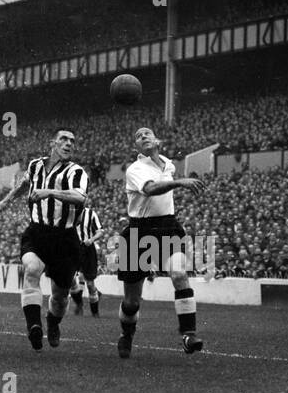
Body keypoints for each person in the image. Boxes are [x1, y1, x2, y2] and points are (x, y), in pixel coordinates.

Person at [0, 129, 87, 350]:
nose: (68, 143)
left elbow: (80, 197)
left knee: (60, 297)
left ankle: (53, 322)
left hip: (65, 239)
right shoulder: (36, 166)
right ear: (52, 142)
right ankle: (34, 326)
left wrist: (50, 192)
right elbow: (24, 185)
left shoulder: (76, 172)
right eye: (63, 139)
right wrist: (4, 202)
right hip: (38, 232)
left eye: (72, 140)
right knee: (32, 269)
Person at [115, 126, 207, 359]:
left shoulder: (168, 164)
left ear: (158, 141)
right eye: (138, 136)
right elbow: (151, 189)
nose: (143, 136)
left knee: (179, 274)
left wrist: (177, 180)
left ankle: (188, 334)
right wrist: (180, 183)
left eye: (147, 133)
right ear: (136, 147)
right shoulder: (135, 169)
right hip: (139, 231)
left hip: (167, 227)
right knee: (132, 301)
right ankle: (127, 334)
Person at [70, 196, 105, 317]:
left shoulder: (91, 214)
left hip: (87, 249)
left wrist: (91, 240)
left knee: (89, 283)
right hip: (73, 249)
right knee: (70, 280)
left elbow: (100, 231)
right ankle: (79, 304)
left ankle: (95, 313)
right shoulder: (69, 213)